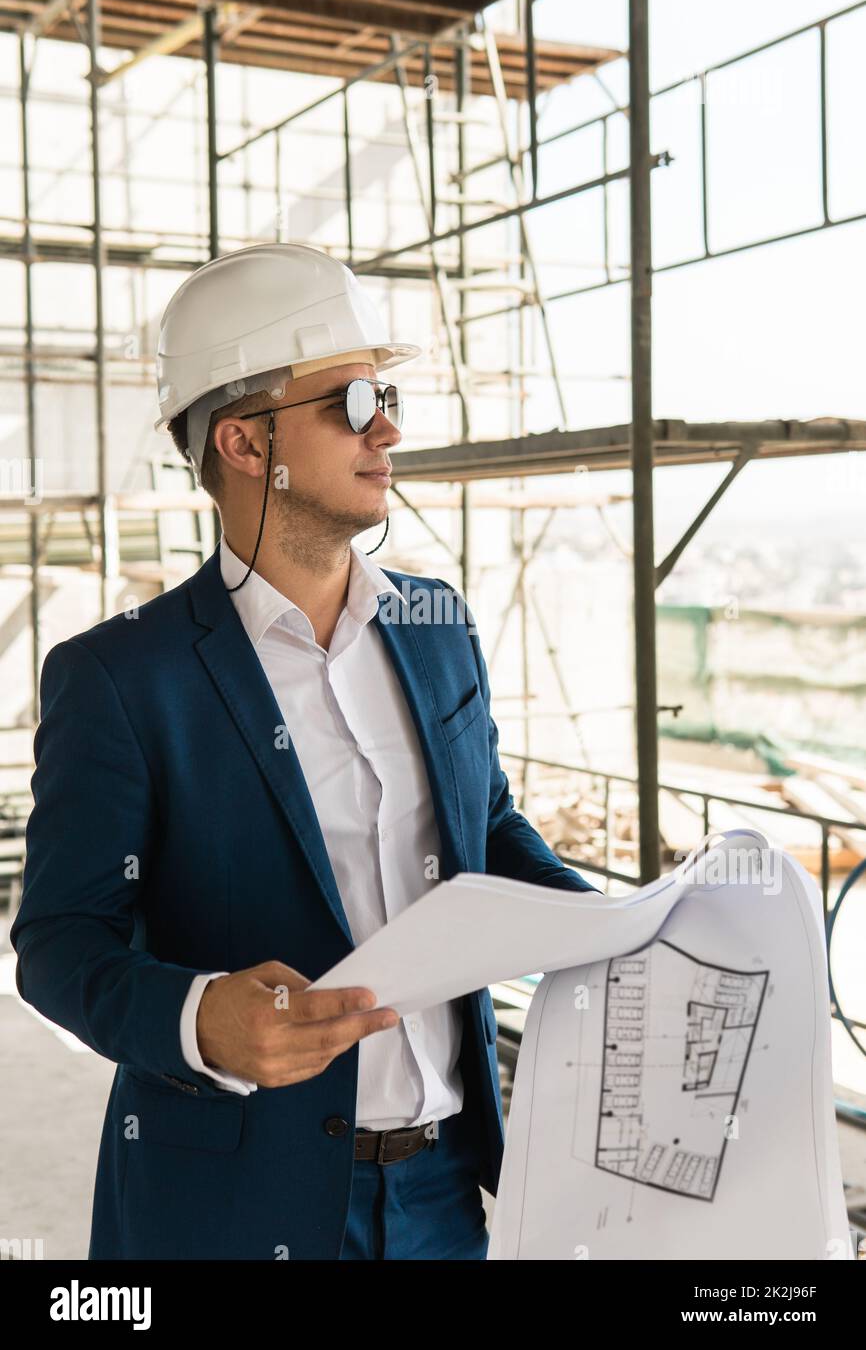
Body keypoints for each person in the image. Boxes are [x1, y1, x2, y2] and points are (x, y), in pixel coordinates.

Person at [12, 242, 600, 1261]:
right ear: (245, 443)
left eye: (389, 393)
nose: (390, 426)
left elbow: (485, 828)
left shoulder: (434, 625)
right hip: (232, 1211)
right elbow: (60, 943)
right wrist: (200, 1017)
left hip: (445, 1193)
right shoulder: (120, 678)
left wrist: (612, 926)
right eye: (353, 398)